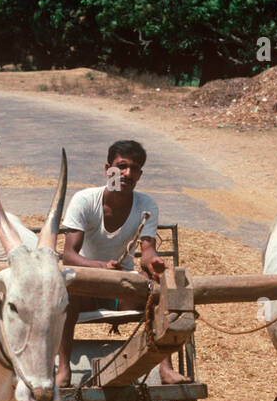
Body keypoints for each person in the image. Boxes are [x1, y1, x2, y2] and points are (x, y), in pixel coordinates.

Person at [56, 140, 189, 387]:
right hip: (85, 284)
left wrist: (154, 263)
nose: (127, 174)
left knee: (161, 291)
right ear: (108, 169)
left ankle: (165, 368)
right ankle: (63, 370)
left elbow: (147, 251)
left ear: (140, 174)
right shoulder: (85, 200)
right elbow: (69, 255)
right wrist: (100, 268)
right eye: (121, 166)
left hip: (121, 287)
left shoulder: (146, 204)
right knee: (66, 292)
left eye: (134, 169)